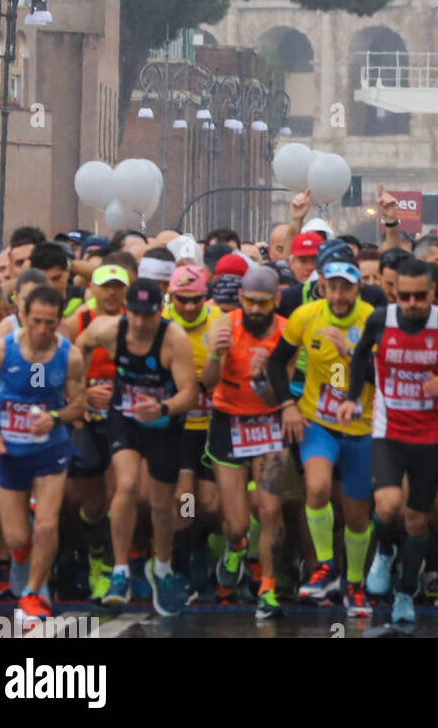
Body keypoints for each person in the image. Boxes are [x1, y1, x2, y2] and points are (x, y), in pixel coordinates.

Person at [337, 254, 438, 627]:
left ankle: (404, 593)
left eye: (419, 297)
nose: (412, 304)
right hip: (388, 430)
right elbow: (360, 356)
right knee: (386, 506)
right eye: (405, 297)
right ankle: (383, 551)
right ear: (394, 292)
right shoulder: (380, 319)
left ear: (432, 292)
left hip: (431, 435)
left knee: (417, 522)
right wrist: (350, 398)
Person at [76, 277, 198, 616]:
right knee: (126, 484)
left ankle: (162, 568)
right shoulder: (109, 329)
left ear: (161, 311)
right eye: (136, 314)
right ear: (127, 311)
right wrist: (80, 391)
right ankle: (119, 571)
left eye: (149, 315)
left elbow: (190, 393)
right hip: (126, 416)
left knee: (164, 504)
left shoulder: (174, 339)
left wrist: (161, 409)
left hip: (165, 423)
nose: (142, 323)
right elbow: (79, 345)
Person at [266, 243, 375, 616]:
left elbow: (385, 375)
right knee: (316, 487)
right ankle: (325, 567)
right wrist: (288, 406)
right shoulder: (305, 316)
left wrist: (350, 353)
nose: (340, 296)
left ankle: (356, 583)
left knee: (358, 517)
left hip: (362, 428)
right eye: (333, 287)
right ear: (322, 287)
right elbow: (275, 363)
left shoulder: (373, 320)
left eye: (347, 288)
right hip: (319, 423)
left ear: (357, 289)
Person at [0, 285, 85, 626]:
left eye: (50, 323)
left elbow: (79, 402)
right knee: (18, 537)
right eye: (36, 322)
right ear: (22, 316)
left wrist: (57, 417)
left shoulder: (70, 356)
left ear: (60, 320)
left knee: (47, 526)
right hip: (9, 449)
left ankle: (32, 594)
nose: (43, 330)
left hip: (50, 449)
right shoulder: (1, 351)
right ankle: (23, 555)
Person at [202, 265, 290, 621]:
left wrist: (261, 378)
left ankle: (268, 588)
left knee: (270, 510)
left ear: (276, 301)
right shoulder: (223, 326)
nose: (255, 309)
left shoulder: (286, 333)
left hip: (269, 422)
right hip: (229, 421)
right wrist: (214, 355)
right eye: (250, 302)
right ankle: (236, 546)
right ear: (240, 298)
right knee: (237, 522)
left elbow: (280, 394)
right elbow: (207, 384)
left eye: (263, 303)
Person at [61, 262, 129, 600]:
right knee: (90, 503)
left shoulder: (140, 322)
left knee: (130, 495)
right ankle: (95, 555)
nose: (112, 293)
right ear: (93, 289)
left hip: (125, 421)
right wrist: (80, 396)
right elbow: (46, 373)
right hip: (85, 419)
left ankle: (120, 567)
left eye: (118, 286)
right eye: (105, 286)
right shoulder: (76, 323)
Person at [164, 264, 220, 599]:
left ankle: (201, 544)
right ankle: (183, 563)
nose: (188, 306)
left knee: (211, 506)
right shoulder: (162, 322)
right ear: (171, 296)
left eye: (195, 299)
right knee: (185, 500)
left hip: (212, 427)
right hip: (178, 428)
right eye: (182, 299)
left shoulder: (217, 323)